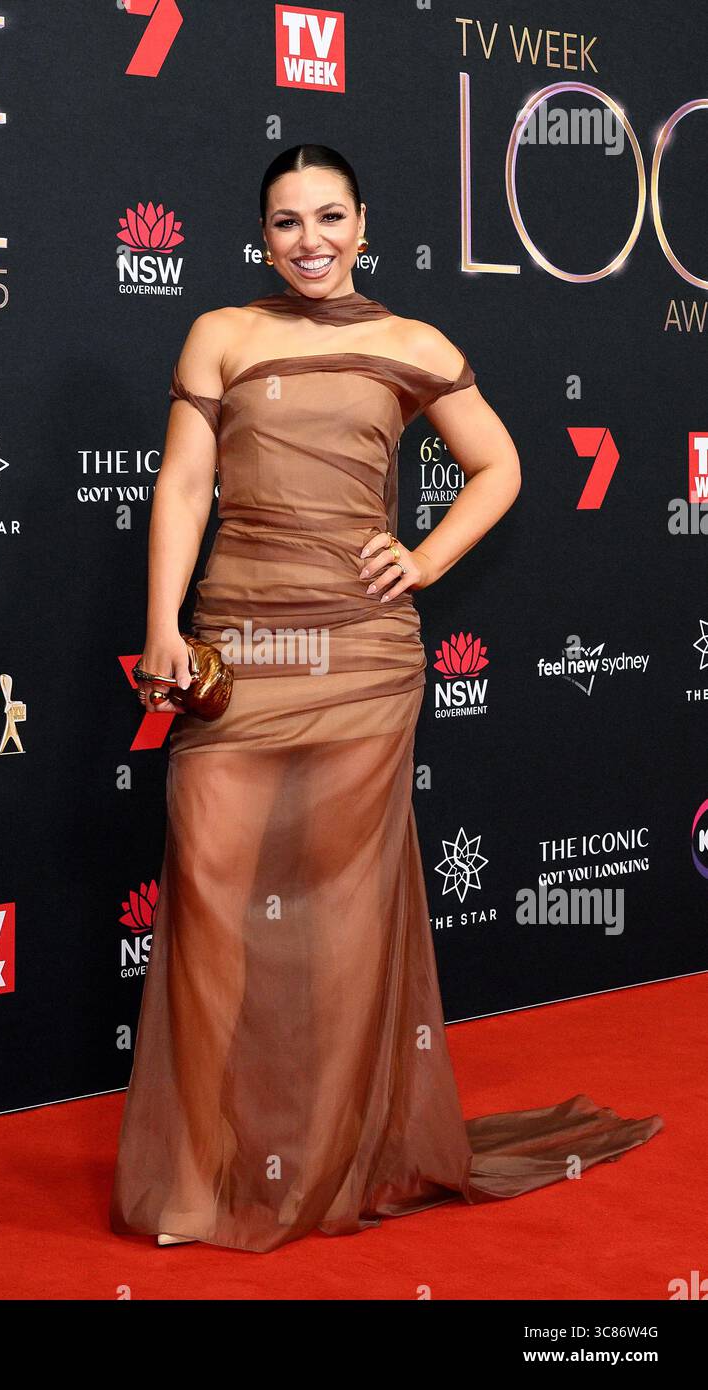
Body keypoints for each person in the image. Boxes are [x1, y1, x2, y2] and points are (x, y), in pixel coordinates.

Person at [109, 144, 663, 1254]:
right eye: (283, 221)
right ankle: (197, 1171)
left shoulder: (414, 344)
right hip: (244, 643)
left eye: (328, 217)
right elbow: (181, 480)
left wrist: (422, 557)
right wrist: (164, 623)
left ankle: (323, 1168)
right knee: (212, 893)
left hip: (361, 656)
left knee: (340, 914)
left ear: (365, 223)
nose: (307, 240)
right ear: (258, 235)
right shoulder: (221, 332)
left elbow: (498, 466)